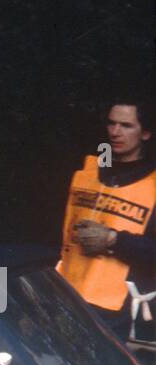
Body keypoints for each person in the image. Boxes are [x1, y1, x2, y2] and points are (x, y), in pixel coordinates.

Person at [57, 99, 156, 345]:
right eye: (111, 124)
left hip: (115, 312)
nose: (115, 132)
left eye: (126, 125)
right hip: (63, 294)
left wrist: (114, 239)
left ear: (145, 133)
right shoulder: (86, 171)